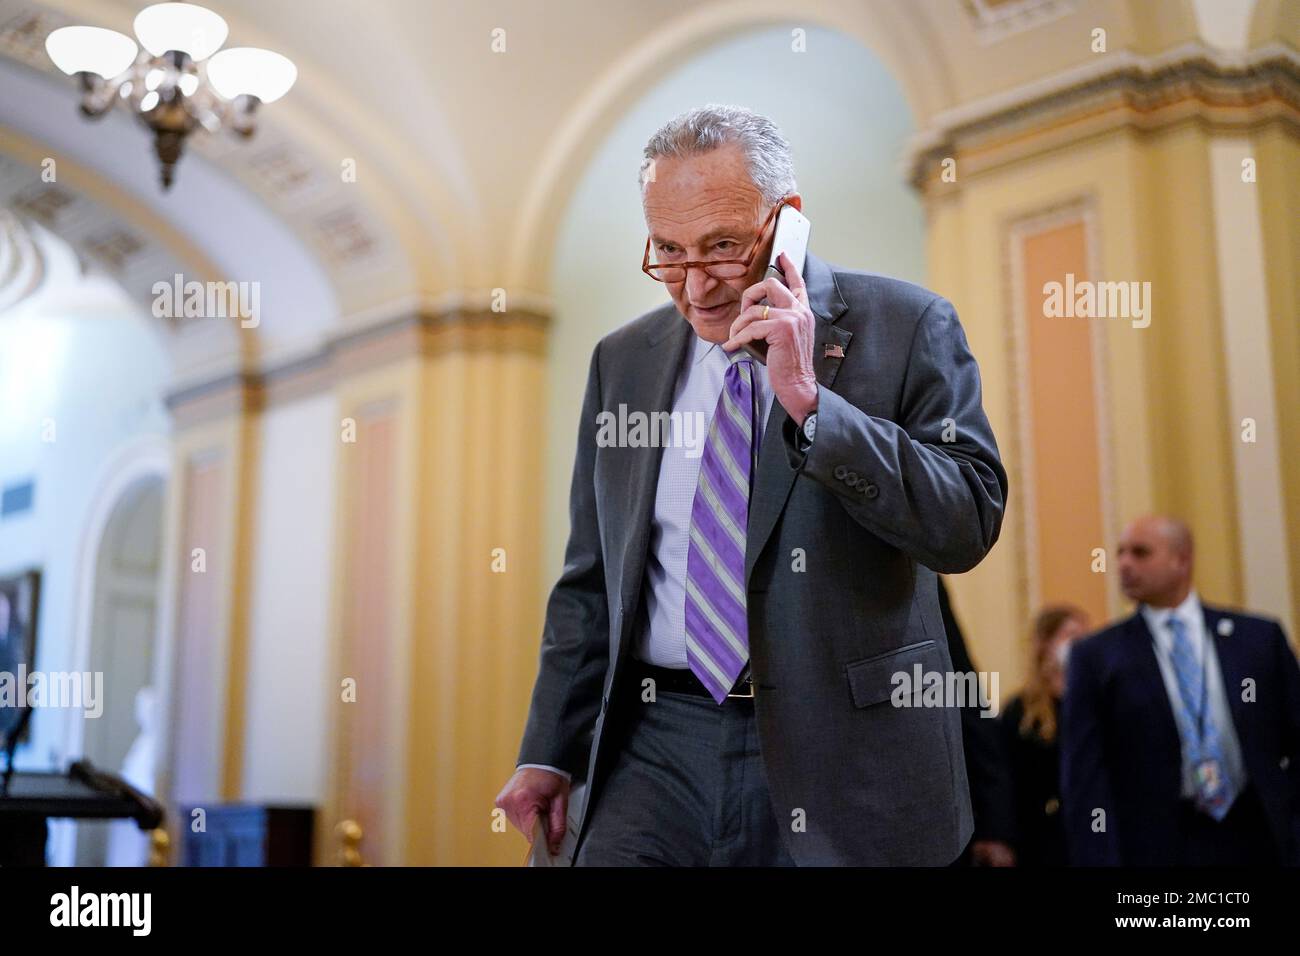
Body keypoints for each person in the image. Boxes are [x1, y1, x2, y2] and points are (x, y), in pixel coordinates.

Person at [495, 104, 1007, 866]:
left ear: (787, 220)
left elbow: (966, 522)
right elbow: (590, 581)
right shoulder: (623, 361)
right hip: (654, 739)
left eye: (722, 248)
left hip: (839, 745)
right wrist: (548, 749)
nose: (695, 286)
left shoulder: (908, 325)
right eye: (668, 251)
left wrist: (811, 404)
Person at [1061, 515, 1300, 865]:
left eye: (1140, 553)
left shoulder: (1258, 640)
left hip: (1258, 836)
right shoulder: (1096, 656)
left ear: (1182, 559)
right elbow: (1084, 775)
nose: (1125, 564)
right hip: (1156, 845)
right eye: (1121, 553)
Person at [999, 604, 1089, 866]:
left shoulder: (1094, 702)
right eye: (1071, 636)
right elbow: (1011, 779)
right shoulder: (1021, 709)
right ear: (1046, 644)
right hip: (1039, 836)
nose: (1081, 645)